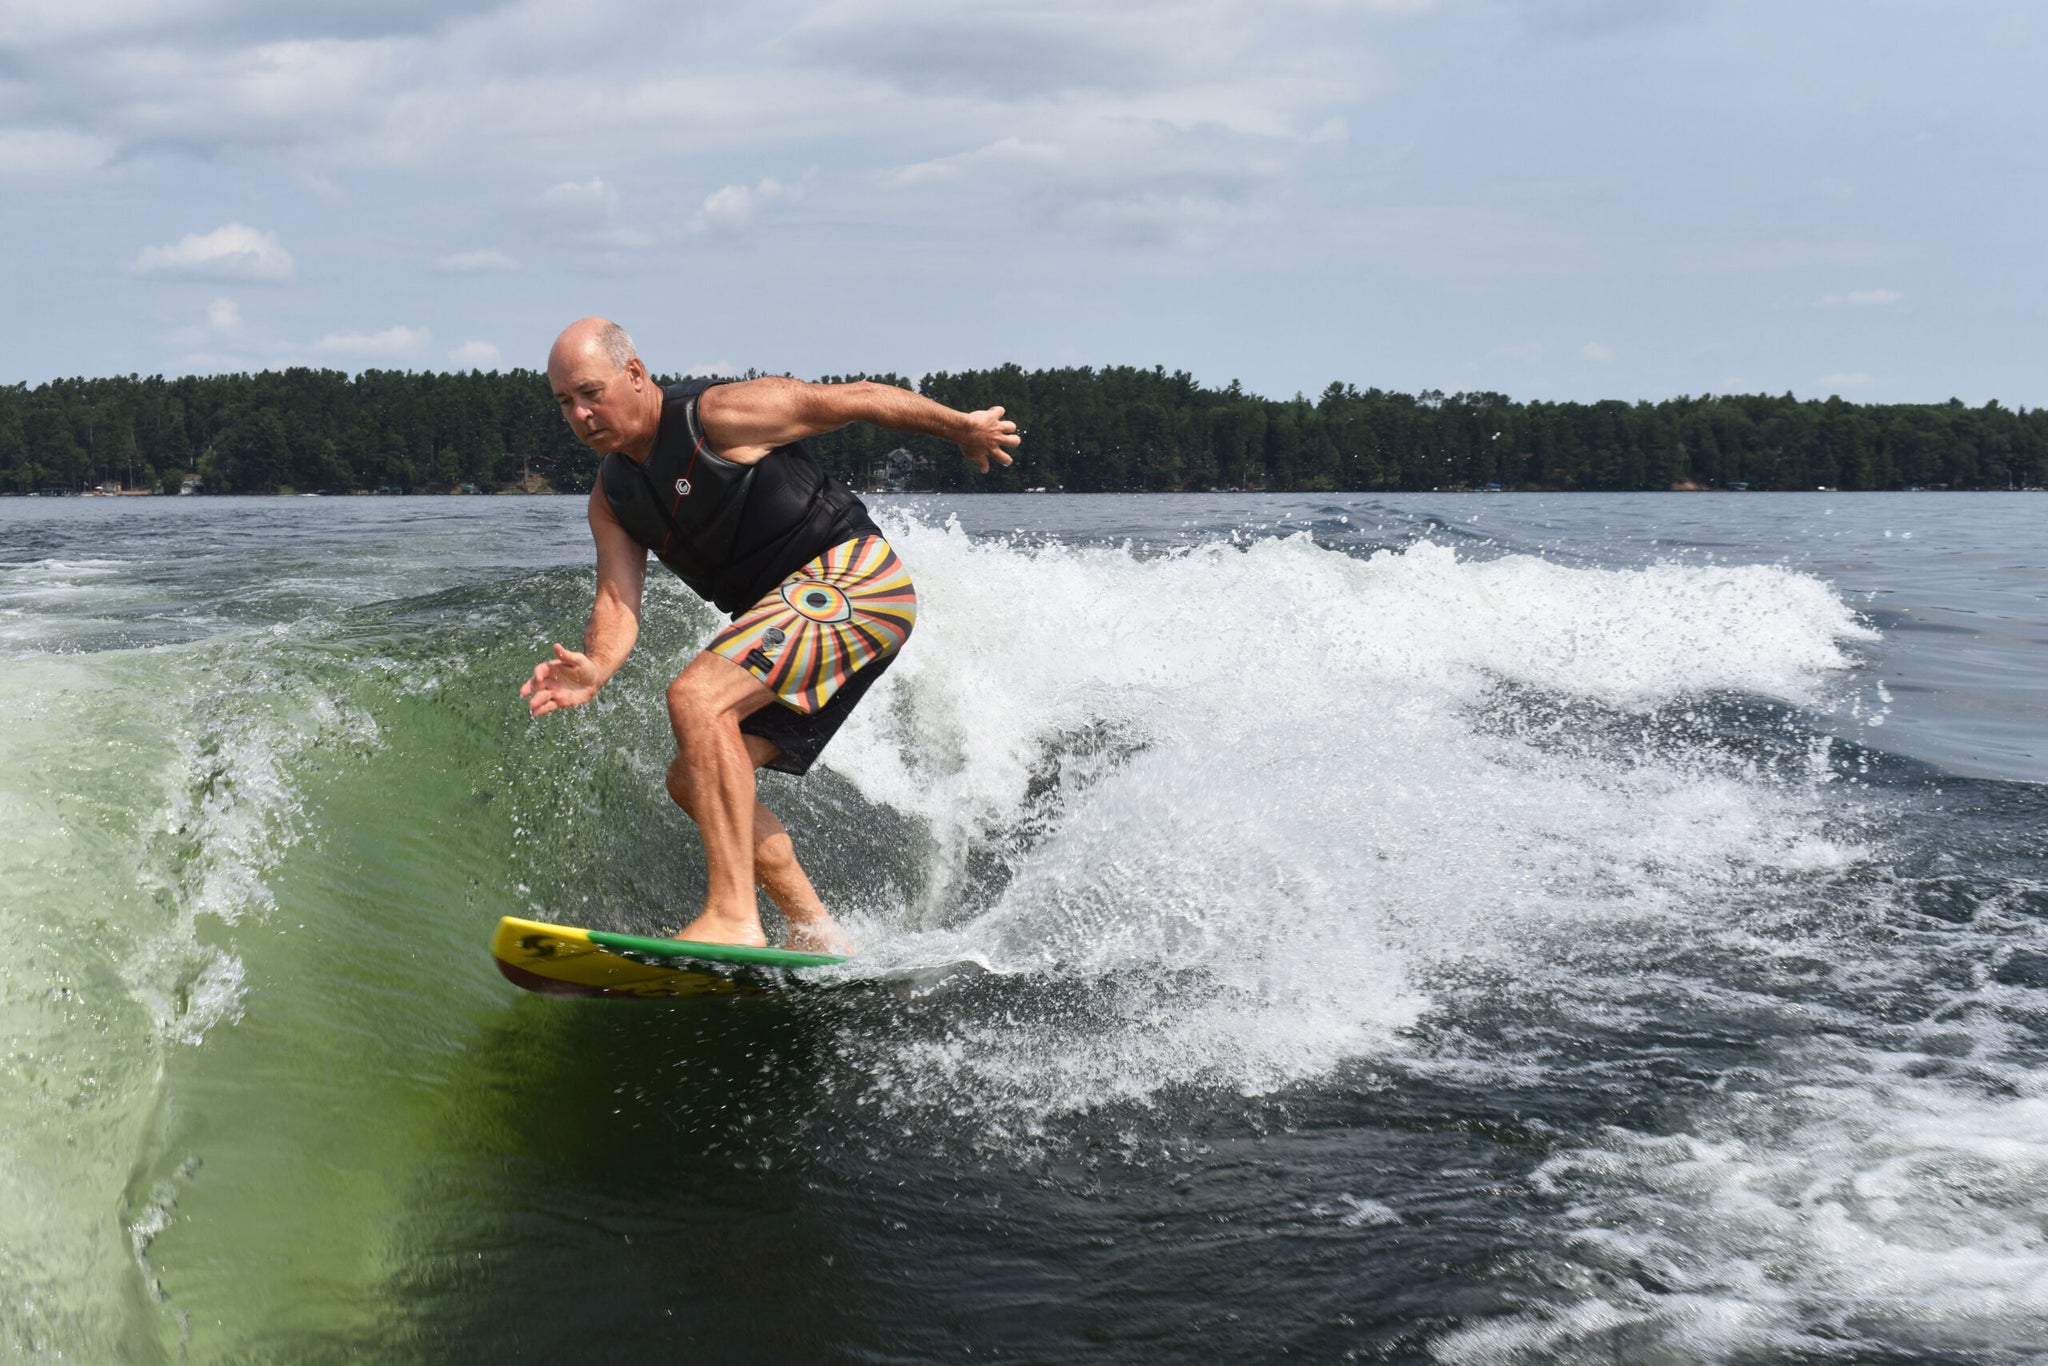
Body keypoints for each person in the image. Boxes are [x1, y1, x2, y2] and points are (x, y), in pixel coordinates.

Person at [521, 318, 1018, 952]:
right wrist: (595, 665)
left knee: (698, 698)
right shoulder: (613, 496)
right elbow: (617, 602)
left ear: (636, 374)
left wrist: (963, 427)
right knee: (694, 778)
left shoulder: (718, 415)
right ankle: (816, 932)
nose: (581, 415)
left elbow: (856, 398)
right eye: (565, 402)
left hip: (858, 582)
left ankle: (733, 916)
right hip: (802, 614)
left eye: (591, 393)